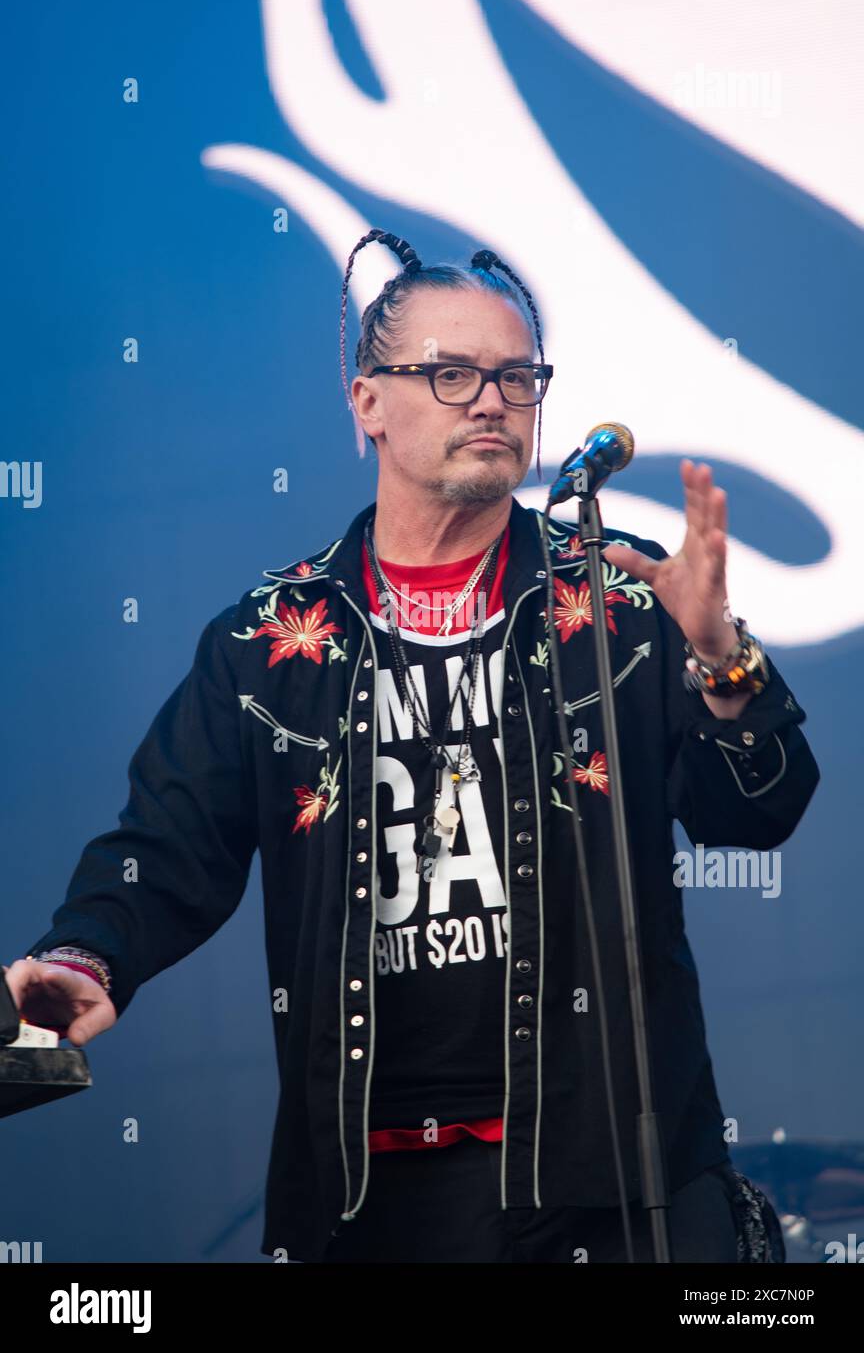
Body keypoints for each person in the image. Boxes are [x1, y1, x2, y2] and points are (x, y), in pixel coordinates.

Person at [4, 230, 819, 1263]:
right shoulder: (269, 644)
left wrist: (720, 657)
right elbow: (162, 850)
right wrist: (84, 956)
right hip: (371, 1203)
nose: (492, 400)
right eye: (451, 373)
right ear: (367, 403)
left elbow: (761, 809)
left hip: (615, 1192)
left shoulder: (619, 594)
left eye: (517, 377)